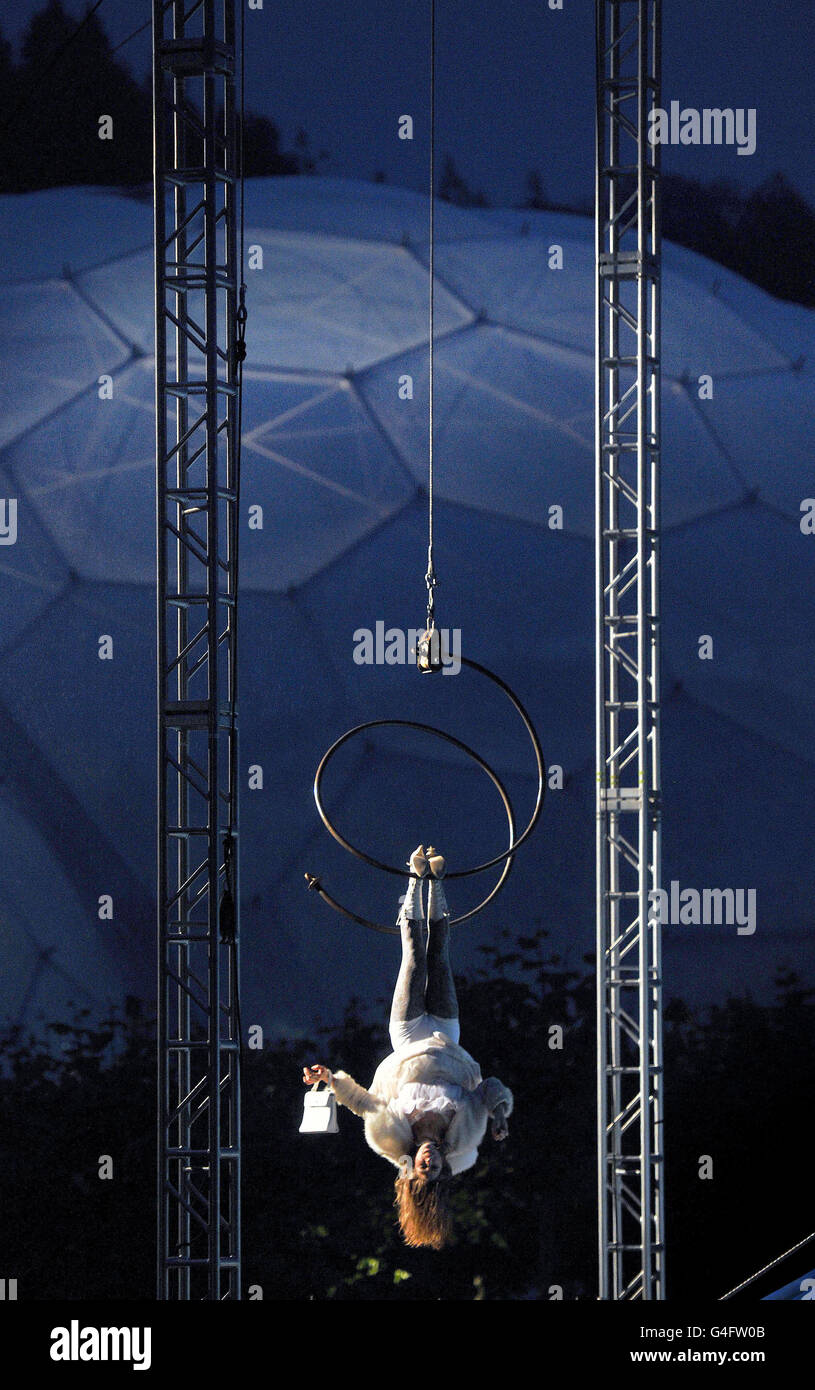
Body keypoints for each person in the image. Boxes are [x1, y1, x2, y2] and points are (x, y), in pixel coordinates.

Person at [302, 845, 513, 1250]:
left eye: (421, 1169)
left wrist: (329, 1080)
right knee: (441, 958)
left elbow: (363, 1103)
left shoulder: (391, 1136)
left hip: (407, 1036)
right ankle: (436, 880)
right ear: (443, 1170)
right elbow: (491, 1088)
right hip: (447, 1037)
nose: (428, 1163)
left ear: (412, 1167)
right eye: (434, 1170)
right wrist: (500, 1113)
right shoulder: (466, 1134)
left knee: (415, 960)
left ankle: (416, 876)